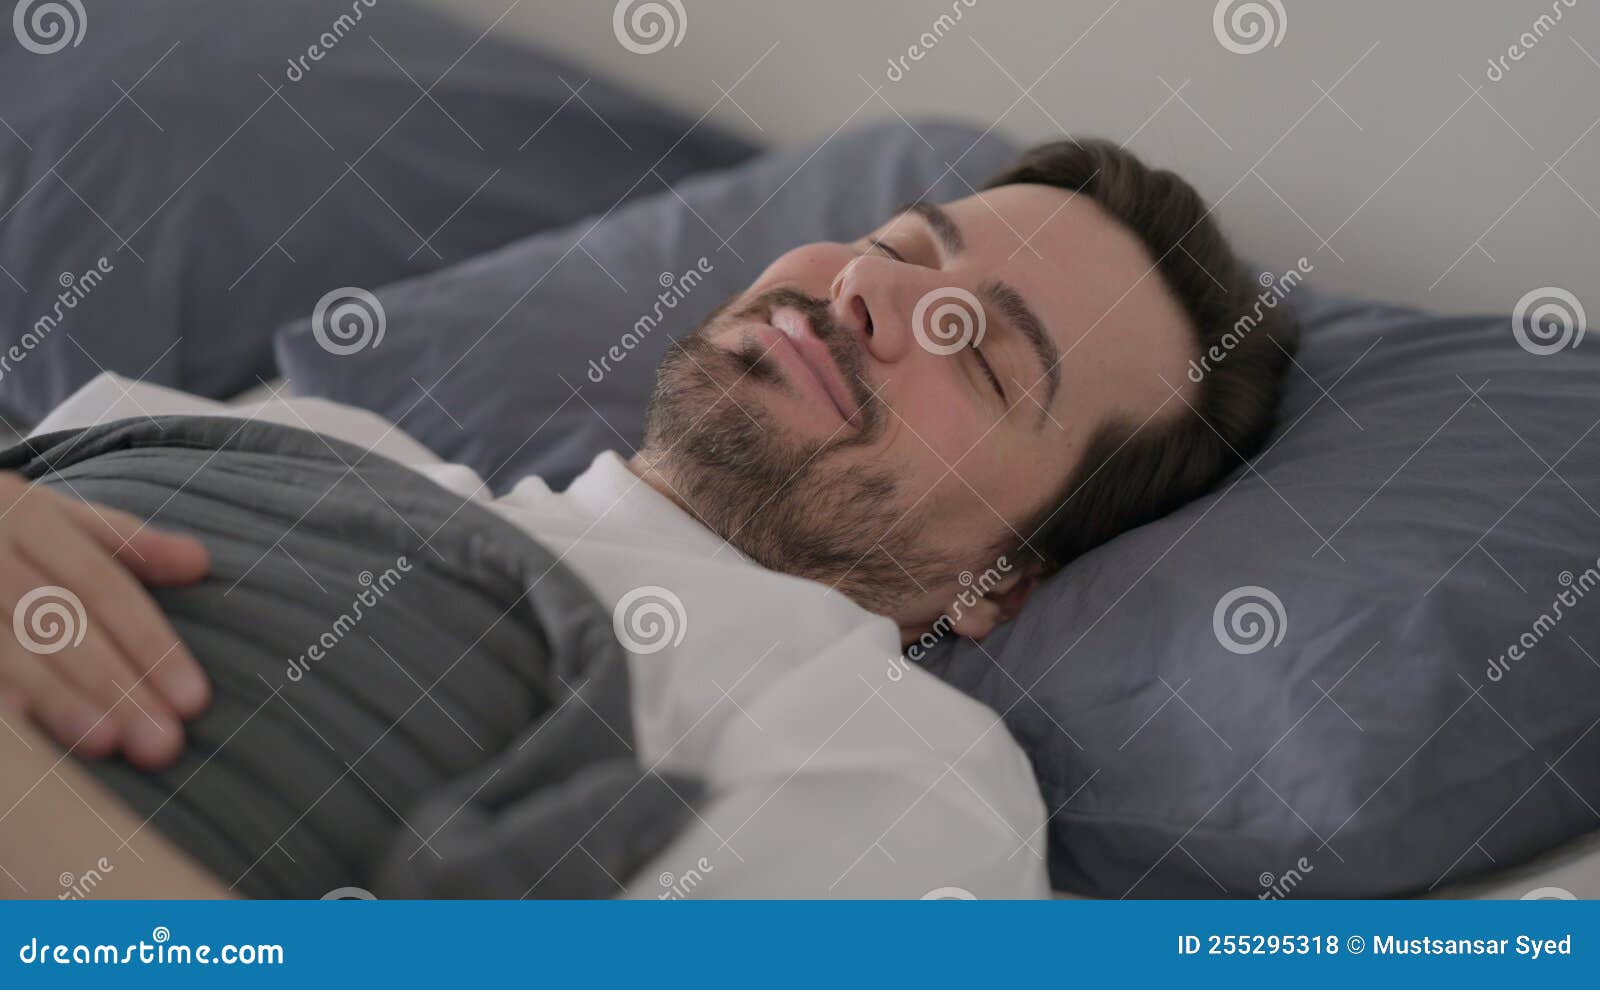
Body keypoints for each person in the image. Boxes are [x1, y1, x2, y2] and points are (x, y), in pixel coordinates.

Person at [0, 139, 1295, 898]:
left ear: (998, 581)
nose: (864, 294)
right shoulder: (307, 429)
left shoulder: (916, 776)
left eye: (982, 358)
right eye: (899, 247)